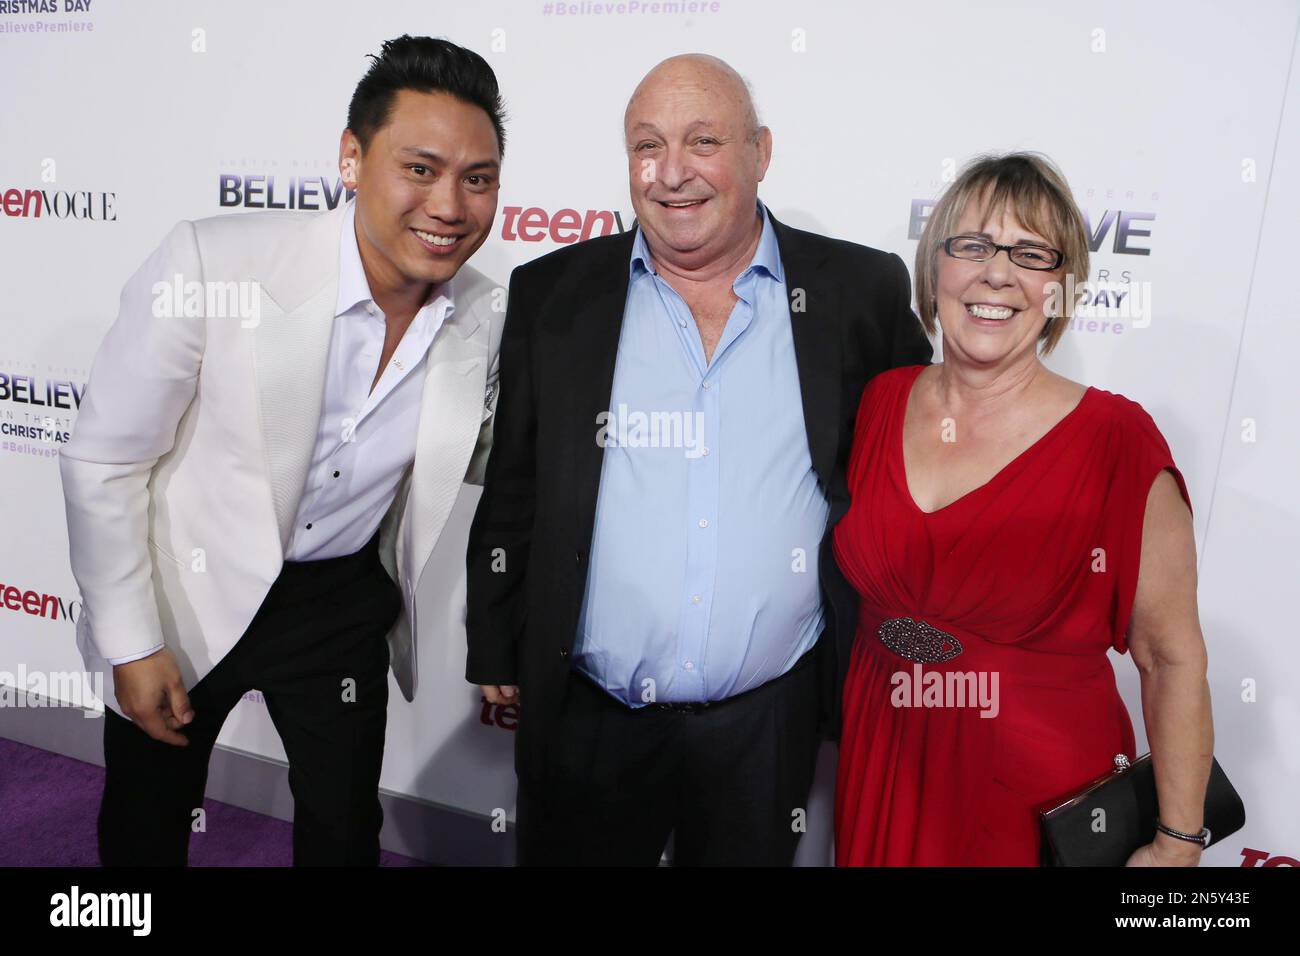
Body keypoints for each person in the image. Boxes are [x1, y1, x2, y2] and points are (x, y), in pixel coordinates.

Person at [465, 53, 932, 866]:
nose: (671, 173)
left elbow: (920, 465)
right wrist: (497, 640)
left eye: (703, 140)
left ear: (761, 152)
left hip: (768, 719)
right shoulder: (554, 294)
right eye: (647, 146)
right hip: (587, 712)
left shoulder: (860, 292)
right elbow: (515, 480)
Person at [59, 35, 507, 866]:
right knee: (146, 827)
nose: (449, 204)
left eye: (477, 179)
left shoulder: (483, 314)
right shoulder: (213, 261)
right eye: (420, 168)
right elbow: (104, 459)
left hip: (338, 604)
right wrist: (131, 638)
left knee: (343, 831)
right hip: (189, 589)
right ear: (351, 157)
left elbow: (487, 456)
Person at [832, 152, 1213, 866]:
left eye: (1030, 254)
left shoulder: (1115, 440)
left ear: (1062, 290)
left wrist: (1178, 842)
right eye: (971, 245)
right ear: (934, 267)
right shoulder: (881, 400)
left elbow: (1170, 657)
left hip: (1035, 798)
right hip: (883, 758)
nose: (996, 273)